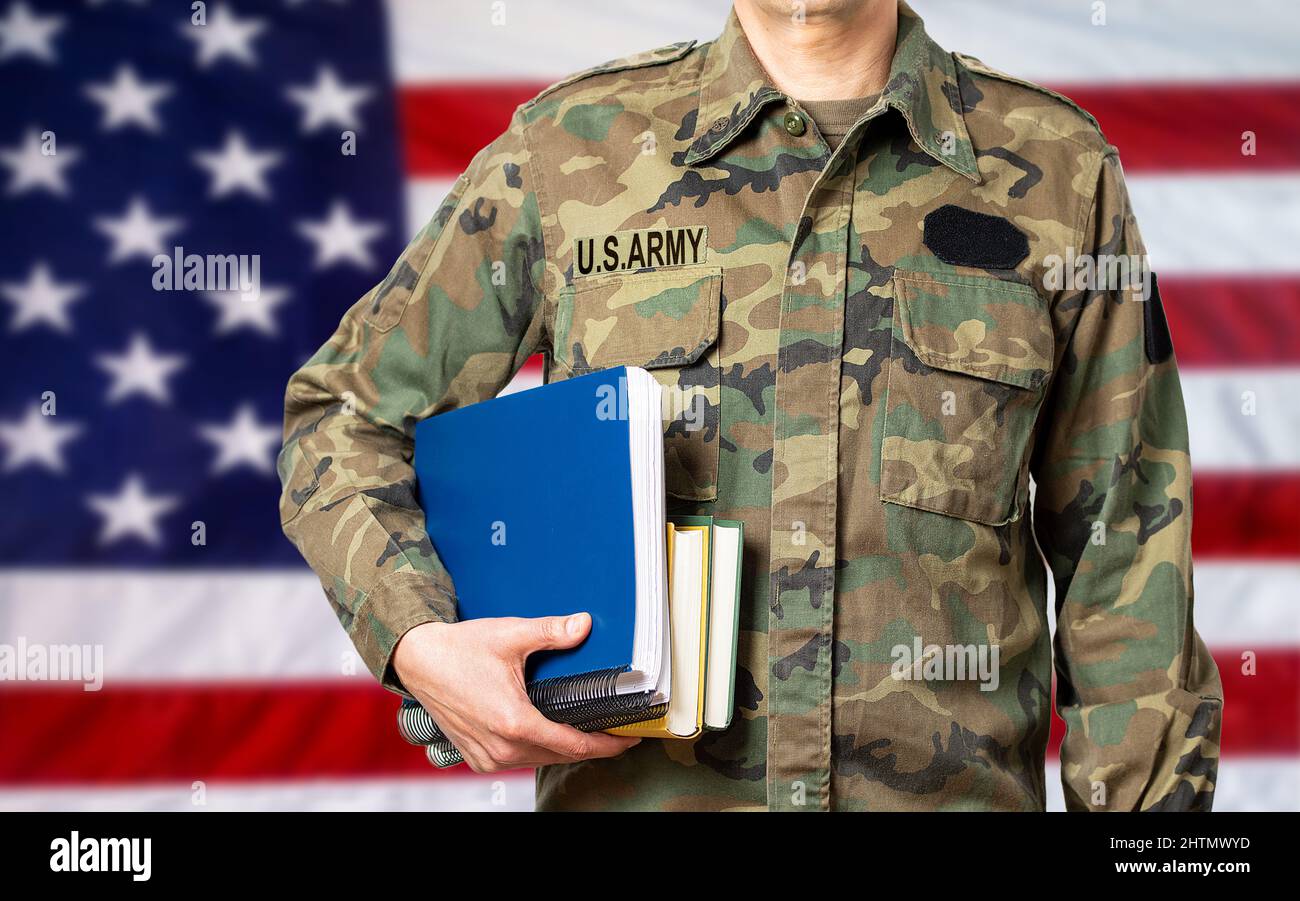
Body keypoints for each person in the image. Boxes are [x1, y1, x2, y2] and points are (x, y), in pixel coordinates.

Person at [278, 0, 1222, 811]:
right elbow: (344, 419)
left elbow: (1127, 556)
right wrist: (418, 641)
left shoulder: (1058, 172)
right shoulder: (570, 154)